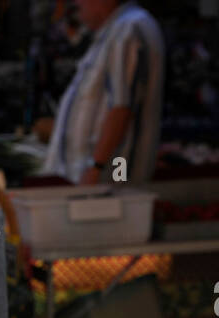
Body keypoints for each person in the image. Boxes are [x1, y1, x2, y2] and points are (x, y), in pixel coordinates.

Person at [40, 0, 164, 186]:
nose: (75, 3)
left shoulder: (128, 28)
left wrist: (95, 167)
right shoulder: (113, 31)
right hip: (90, 181)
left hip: (111, 182)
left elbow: (122, 108)